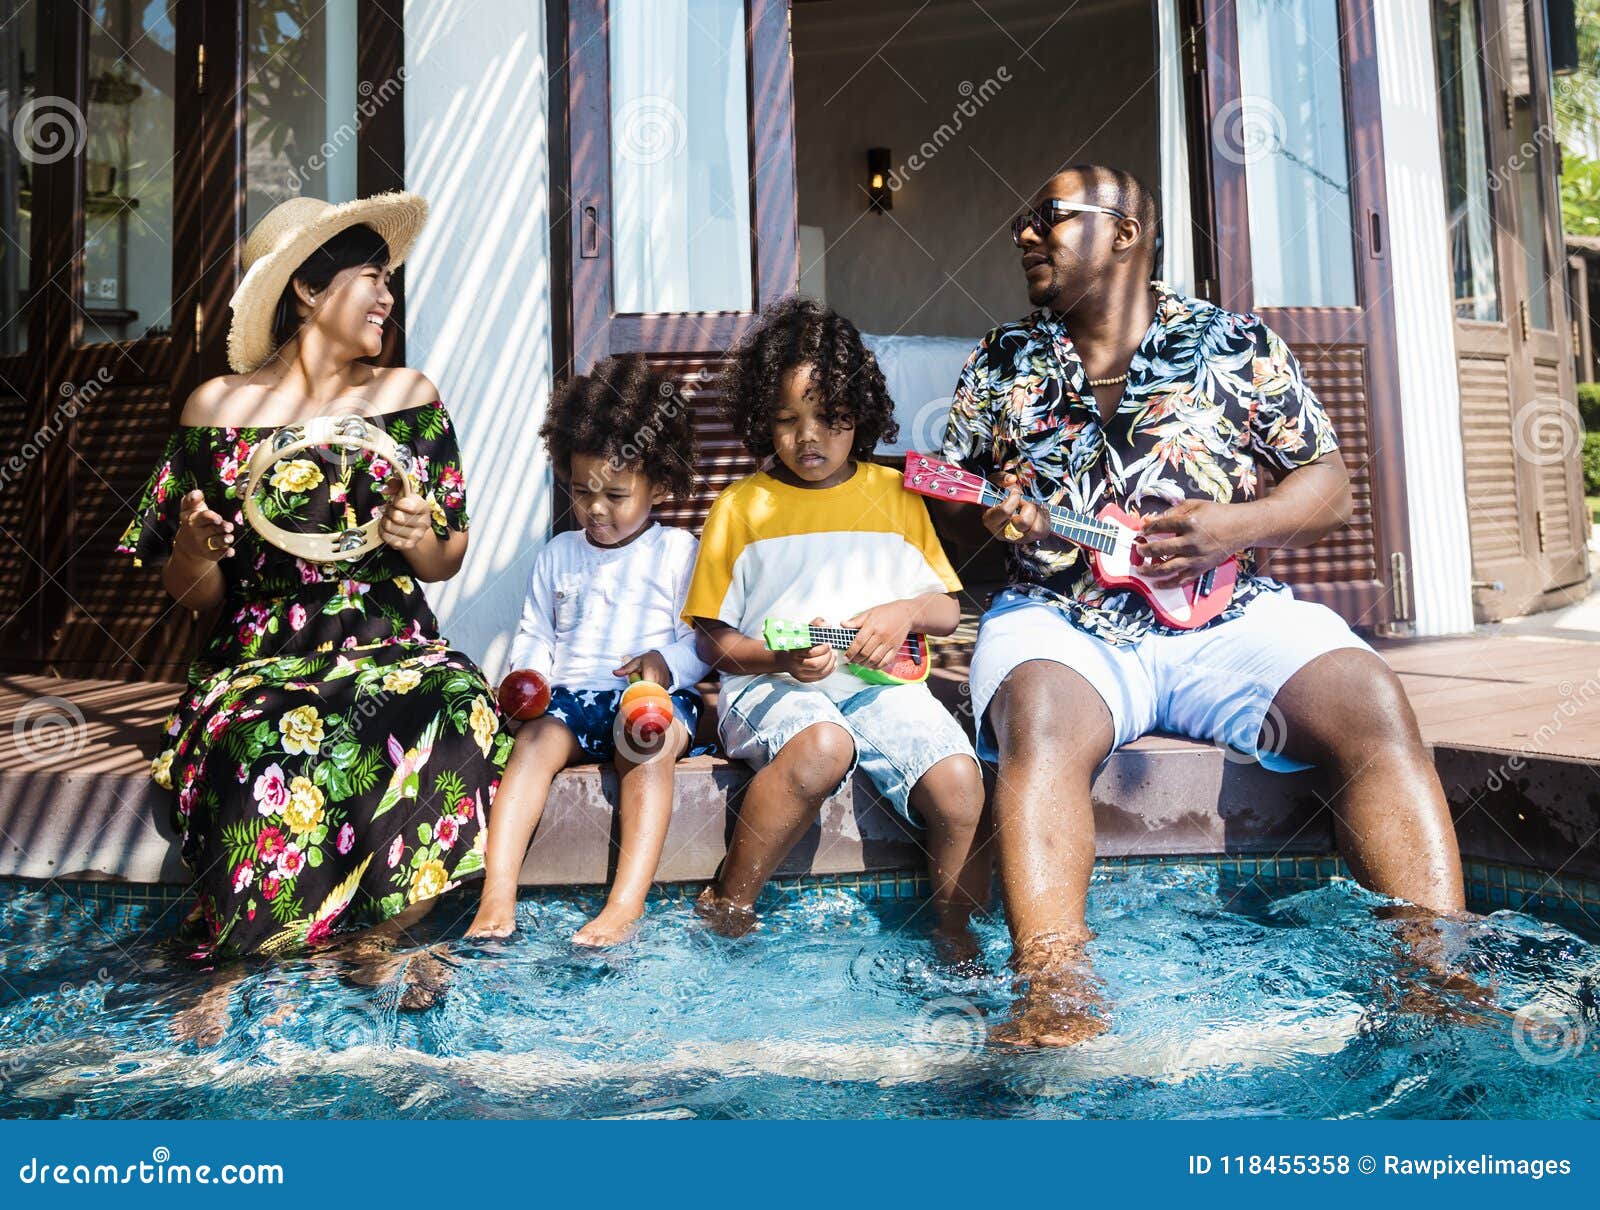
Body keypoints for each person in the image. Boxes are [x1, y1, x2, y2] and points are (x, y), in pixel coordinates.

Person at [941, 165, 1469, 1046]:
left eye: (1048, 218)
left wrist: (1237, 526)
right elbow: (951, 522)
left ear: (1124, 233)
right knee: (1038, 721)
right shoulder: (1000, 362)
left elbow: (1330, 488)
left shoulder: (1235, 343)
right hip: (1062, 618)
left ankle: (1433, 977)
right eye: (1021, 222)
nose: (1024, 235)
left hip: (1229, 614)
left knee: (1371, 700)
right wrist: (982, 517)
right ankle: (1057, 996)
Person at [117, 193, 509, 1020]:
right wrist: (196, 546)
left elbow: (444, 558)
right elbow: (190, 598)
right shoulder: (216, 410)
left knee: (453, 706)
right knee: (261, 735)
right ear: (305, 289)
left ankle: (387, 937)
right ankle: (239, 961)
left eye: (388, 280)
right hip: (261, 651)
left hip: (392, 640)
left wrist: (413, 531)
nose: (387, 298)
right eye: (372, 277)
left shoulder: (408, 394)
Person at [686, 298, 989, 954]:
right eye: (787, 420)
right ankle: (729, 900)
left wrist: (903, 610)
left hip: (878, 687)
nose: (809, 437)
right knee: (824, 744)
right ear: (762, 419)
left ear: (862, 415)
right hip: (771, 689)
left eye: (831, 418)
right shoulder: (741, 509)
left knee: (961, 781)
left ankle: (954, 932)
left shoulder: (897, 496)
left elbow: (946, 611)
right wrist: (777, 662)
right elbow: (712, 640)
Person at [468, 354, 708, 946]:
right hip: (572, 700)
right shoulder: (558, 554)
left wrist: (664, 663)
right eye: (581, 492)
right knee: (530, 744)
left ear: (660, 482)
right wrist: (529, 676)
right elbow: (537, 633)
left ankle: (625, 903)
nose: (596, 508)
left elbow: (704, 643)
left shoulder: (678, 552)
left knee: (645, 739)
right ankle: (497, 894)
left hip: (650, 699)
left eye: (616, 494)